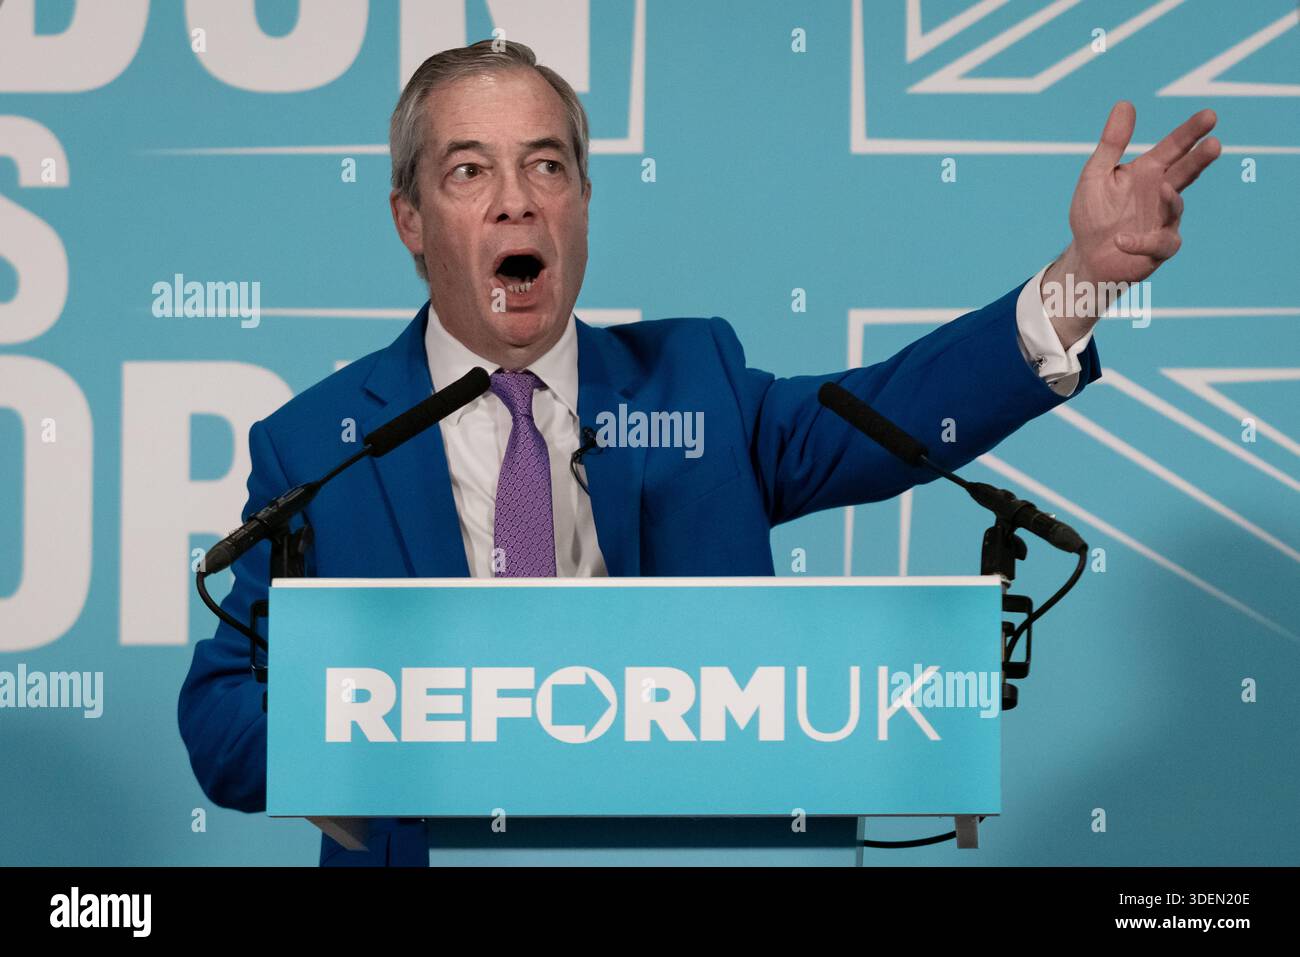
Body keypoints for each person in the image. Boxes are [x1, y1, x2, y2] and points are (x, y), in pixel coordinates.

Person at [178, 40, 1221, 866]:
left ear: (581, 205)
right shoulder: (319, 445)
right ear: (410, 218)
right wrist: (377, 752)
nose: (516, 200)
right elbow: (224, 714)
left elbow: (897, 413)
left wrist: (1085, 277)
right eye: (468, 171)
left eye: (548, 165)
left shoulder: (696, 386)